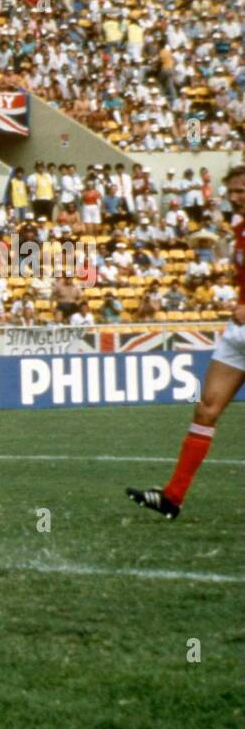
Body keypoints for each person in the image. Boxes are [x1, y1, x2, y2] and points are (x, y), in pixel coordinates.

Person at [128, 166, 245, 519]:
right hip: (238, 332)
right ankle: (172, 497)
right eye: (233, 192)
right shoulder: (238, 231)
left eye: (242, 190)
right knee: (205, 409)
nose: (236, 197)